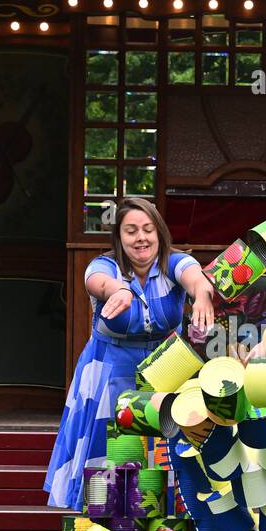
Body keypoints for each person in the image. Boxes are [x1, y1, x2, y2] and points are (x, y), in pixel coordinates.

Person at [44, 197, 215, 509]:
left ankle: (161, 527)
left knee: (163, 448)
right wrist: (119, 290)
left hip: (164, 368)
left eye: (148, 229)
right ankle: (100, 530)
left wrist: (202, 295)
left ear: (160, 233)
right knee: (108, 453)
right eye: (131, 231)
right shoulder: (104, 266)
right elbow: (96, 282)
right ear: (119, 238)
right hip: (110, 367)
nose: (141, 238)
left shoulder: (174, 263)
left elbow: (196, 279)